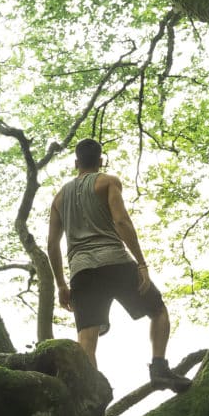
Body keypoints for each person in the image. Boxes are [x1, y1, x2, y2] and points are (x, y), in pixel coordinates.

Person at [46, 138, 187, 390]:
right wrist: (142, 264)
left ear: (76, 162)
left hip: (82, 272)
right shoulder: (108, 182)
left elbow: (52, 245)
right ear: (100, 161)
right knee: (158, 311)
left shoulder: (58, 199)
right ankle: (159, 369)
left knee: (86, 337)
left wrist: (61, 285)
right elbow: (121, 222)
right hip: (116, 263)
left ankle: (91, 397)